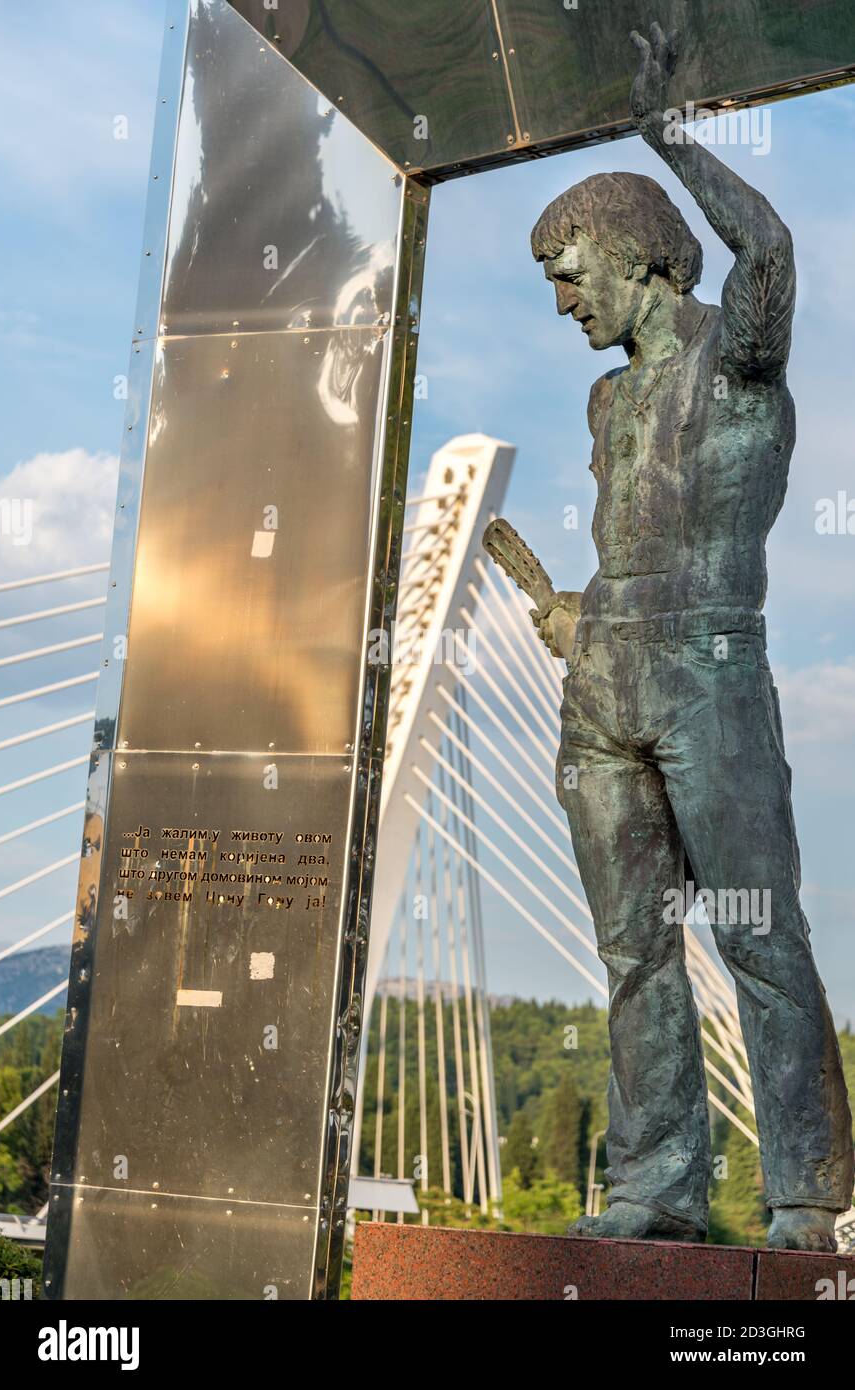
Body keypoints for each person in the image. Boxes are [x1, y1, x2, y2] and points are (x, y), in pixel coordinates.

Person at [530, 23, 853, 1250]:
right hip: (603, 677)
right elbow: (631, 550)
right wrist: (577, 615)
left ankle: (807, 1196)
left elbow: (767, 247)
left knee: (758, 932)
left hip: (712, 667)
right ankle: (659, 1183)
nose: (563, 302)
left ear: (636, 257)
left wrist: (668, 135)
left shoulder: (739, 352)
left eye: (572, 274)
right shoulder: (606, 399)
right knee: (633, 952)